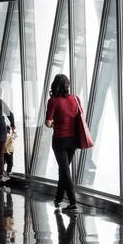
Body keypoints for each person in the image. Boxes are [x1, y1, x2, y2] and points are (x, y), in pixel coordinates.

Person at [45, 74, 82, 211]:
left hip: (60, 140)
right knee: (64, 169)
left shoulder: (53, 101)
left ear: (55, 85)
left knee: (65, 171)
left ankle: (73, 203)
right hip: (73, 140)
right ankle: (58, 198)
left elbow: (48, 123)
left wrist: (55, 122)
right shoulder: (75, 99)